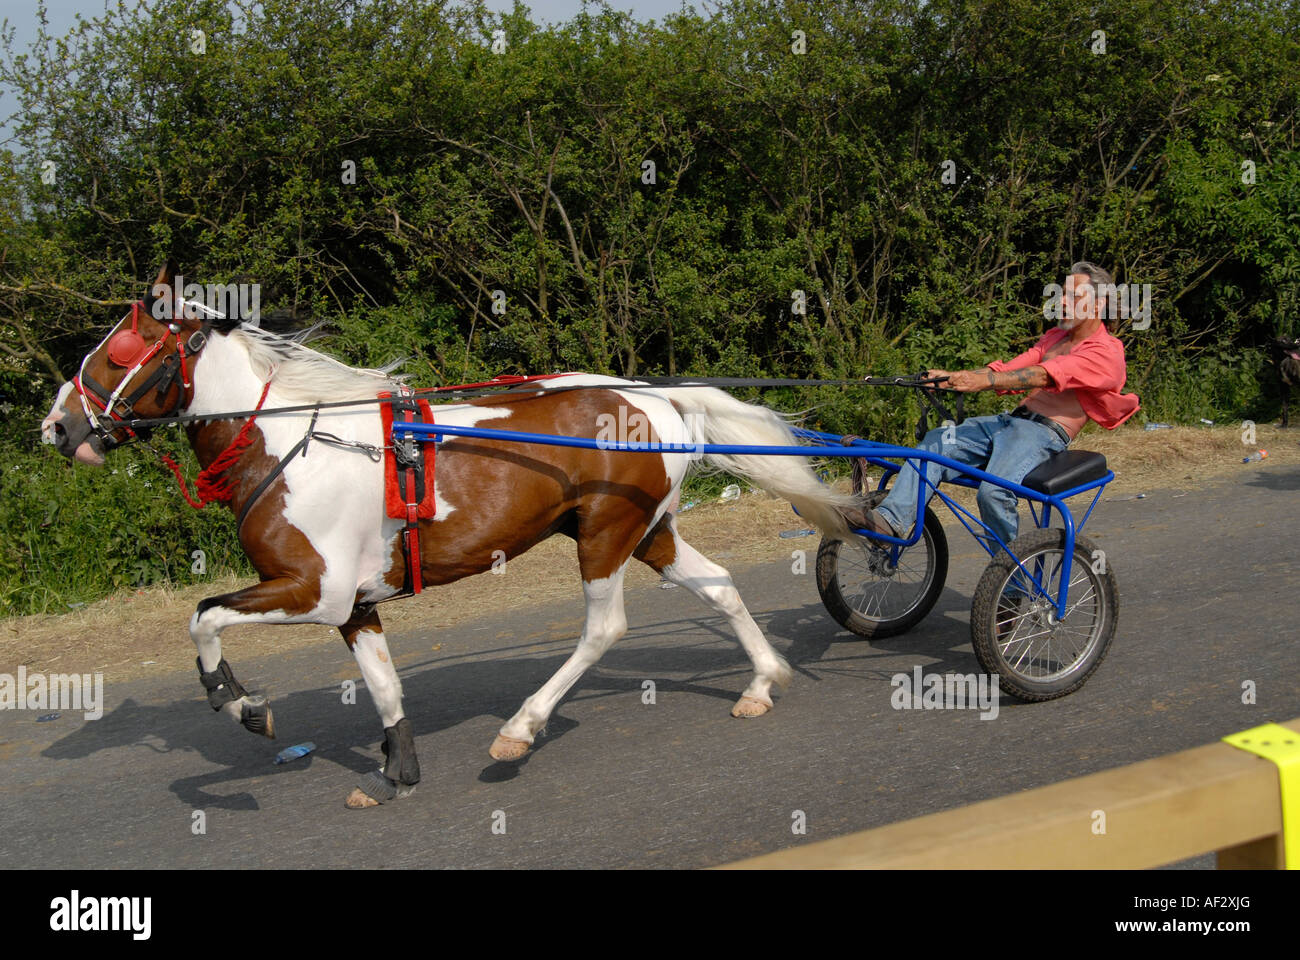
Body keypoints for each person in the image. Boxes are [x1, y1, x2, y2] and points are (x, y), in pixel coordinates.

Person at [844, 262, 1141, 548]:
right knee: (933, 446)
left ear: (1099, 305)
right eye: (1062, 293)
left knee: (993, 492)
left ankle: (1011, 585)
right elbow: (1007, 370)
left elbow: (1041, 375)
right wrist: (950, 378)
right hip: (1009, 423)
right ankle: (889, 522)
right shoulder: (1055, 337)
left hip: (1041, 435)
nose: (1062, 301)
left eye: (1073, 296)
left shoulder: (1107, 353)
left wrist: (983, 382)